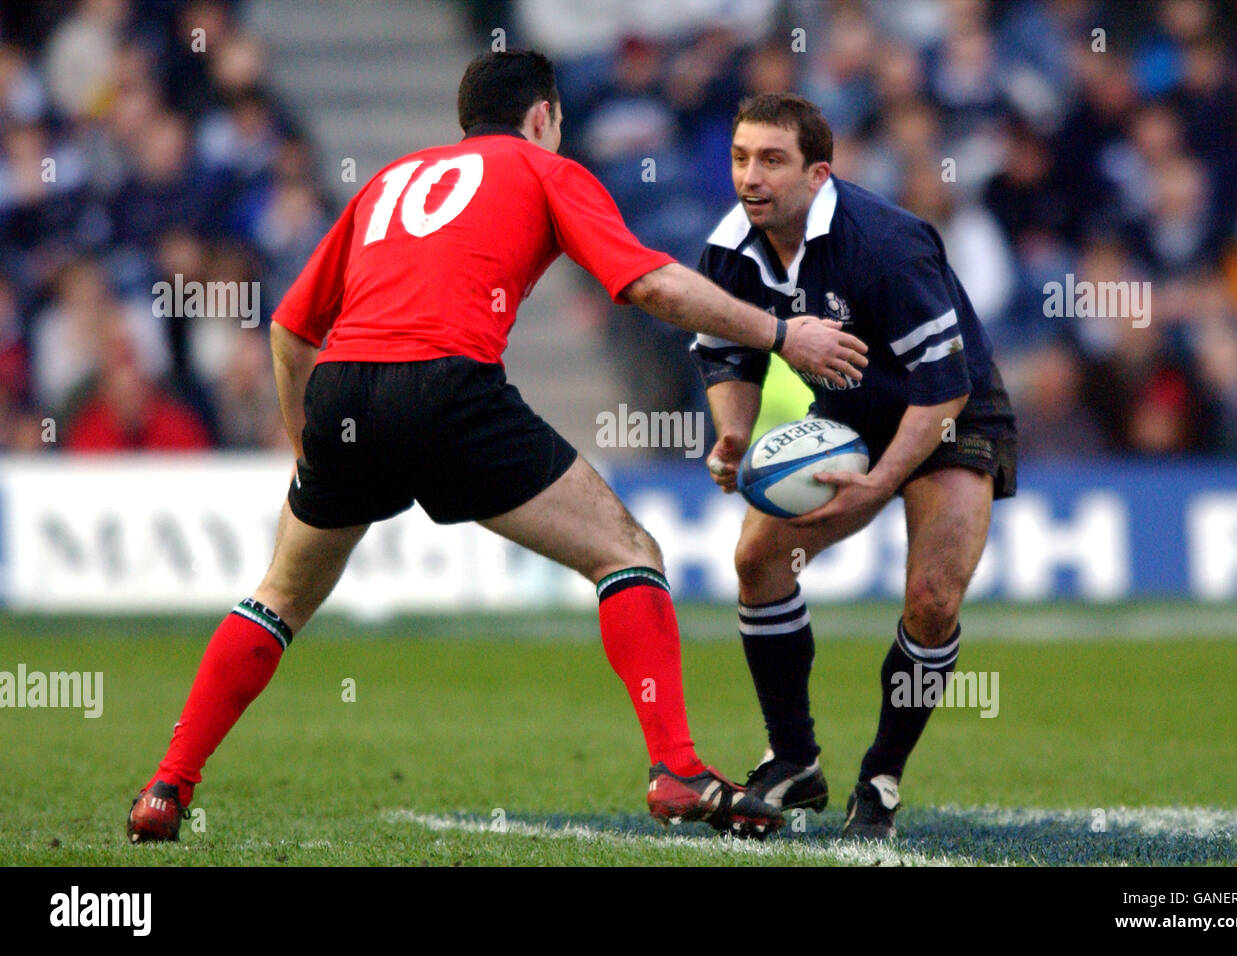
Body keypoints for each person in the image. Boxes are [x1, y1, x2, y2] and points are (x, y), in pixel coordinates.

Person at [127, 53, 868, 843]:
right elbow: (650, 285)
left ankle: (166, 789)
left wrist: (311, 447)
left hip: (343, 387)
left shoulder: (390, 181)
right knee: (627, 552)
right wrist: (783, 333)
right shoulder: (546, 169)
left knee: (278, 596)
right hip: (446, 385)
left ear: (463, 122)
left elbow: (289, 329)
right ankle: (677, 768)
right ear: (544, 117)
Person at [693, 93, 1016, 838]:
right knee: (756, 563)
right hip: (849, 411)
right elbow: (726, 350)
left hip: (953, 414)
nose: (752, 176)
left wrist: (873, 486)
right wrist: (734, 437)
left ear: (819, 173)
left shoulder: (883, 243)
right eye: (741, 157)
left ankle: (882, 779)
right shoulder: (728, 248)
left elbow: (945, 388)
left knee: (933, 598)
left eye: (772, 160)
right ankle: (796, 761)